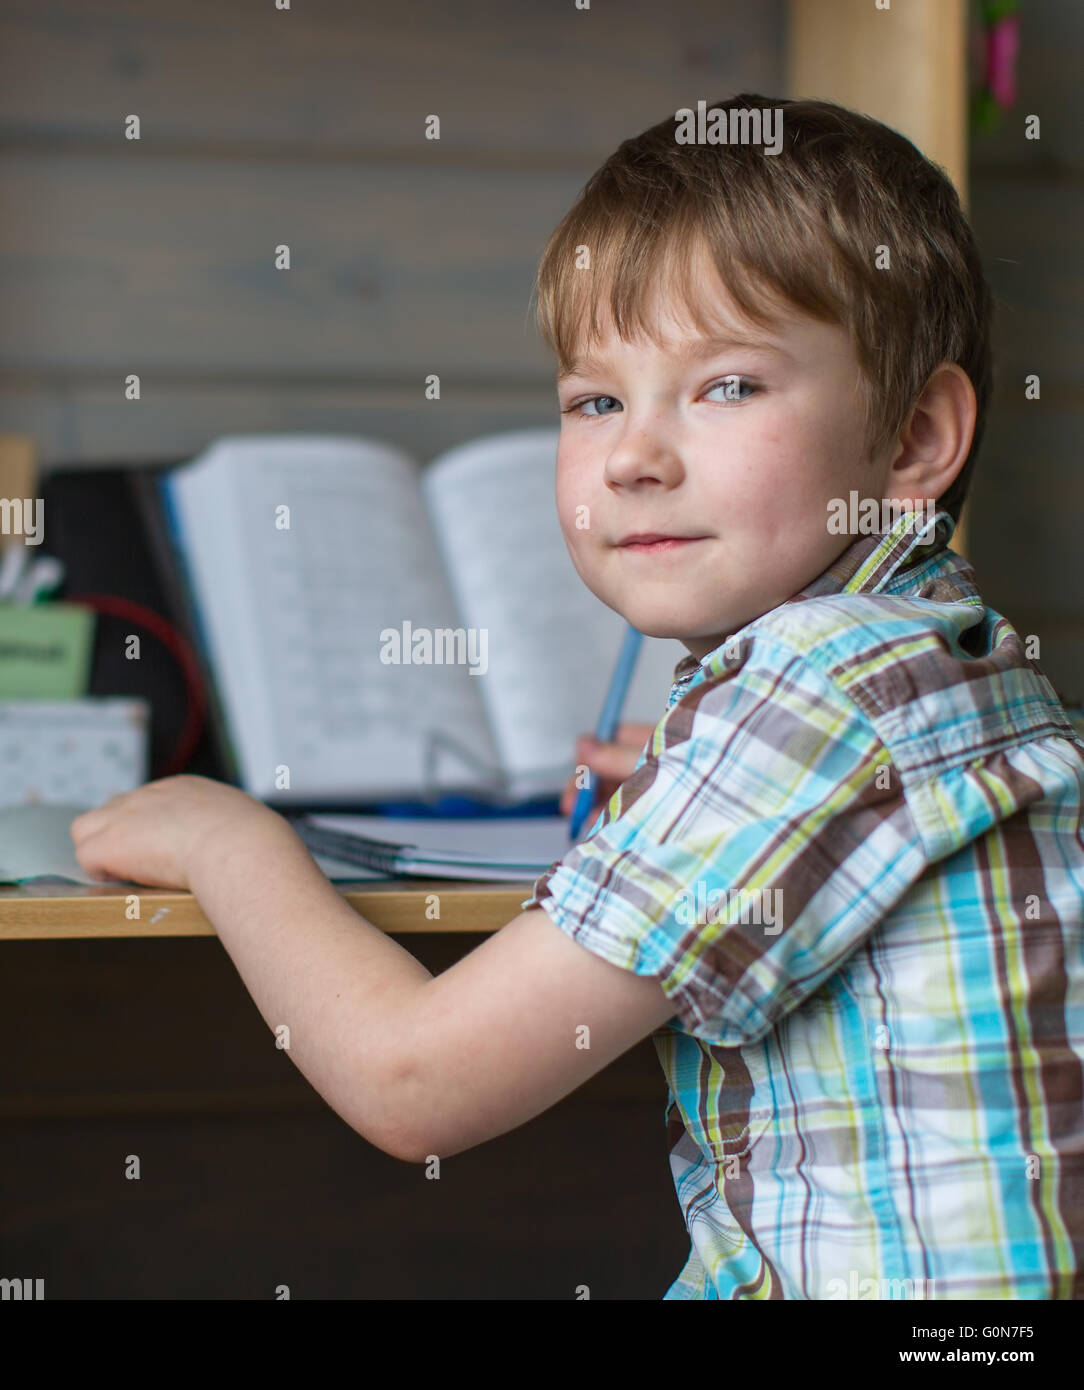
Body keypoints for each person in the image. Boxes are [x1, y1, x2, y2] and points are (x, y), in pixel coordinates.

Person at [72, 94, 1084, 1300]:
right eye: (595, 399)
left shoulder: (804, 695)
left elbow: (414, 1087)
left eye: (726, 387)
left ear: (915, 438)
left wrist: (228, 833)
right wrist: (698, 762)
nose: (631, 457)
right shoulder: (951, 660)